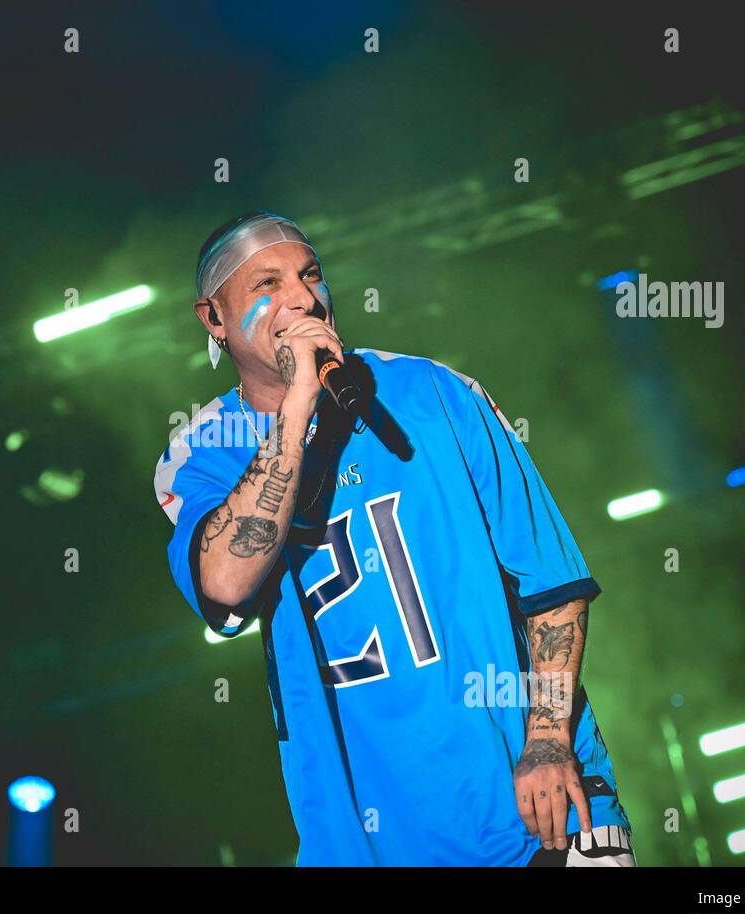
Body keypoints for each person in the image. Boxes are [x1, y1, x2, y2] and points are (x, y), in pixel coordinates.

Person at [153, 210, 634, 866]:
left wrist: (547, 743)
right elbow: (226, 586)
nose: (302, 297)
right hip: (372, 845)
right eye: (267, 284)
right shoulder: (204, 451)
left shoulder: (433, 394)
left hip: (540, 815)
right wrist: (298, 404)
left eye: (310, 275)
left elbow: (553, 586)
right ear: (213, 319)